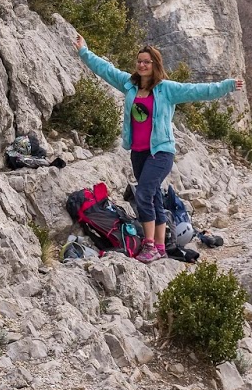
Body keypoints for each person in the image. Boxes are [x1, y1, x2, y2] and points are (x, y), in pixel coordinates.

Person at [74, 35, 242, 264]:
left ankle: (150, 245)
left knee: (143, 193)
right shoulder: (129, 85)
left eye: (147, 62)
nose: (142, 65)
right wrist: (84, 51)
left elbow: (198, 90)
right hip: (138, 151)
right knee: (152, 197)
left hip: (161, 152)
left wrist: (227, 85)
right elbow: (106, 69)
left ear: (155, 65)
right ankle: (162, 246)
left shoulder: (166, 89)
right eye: (139, 61)